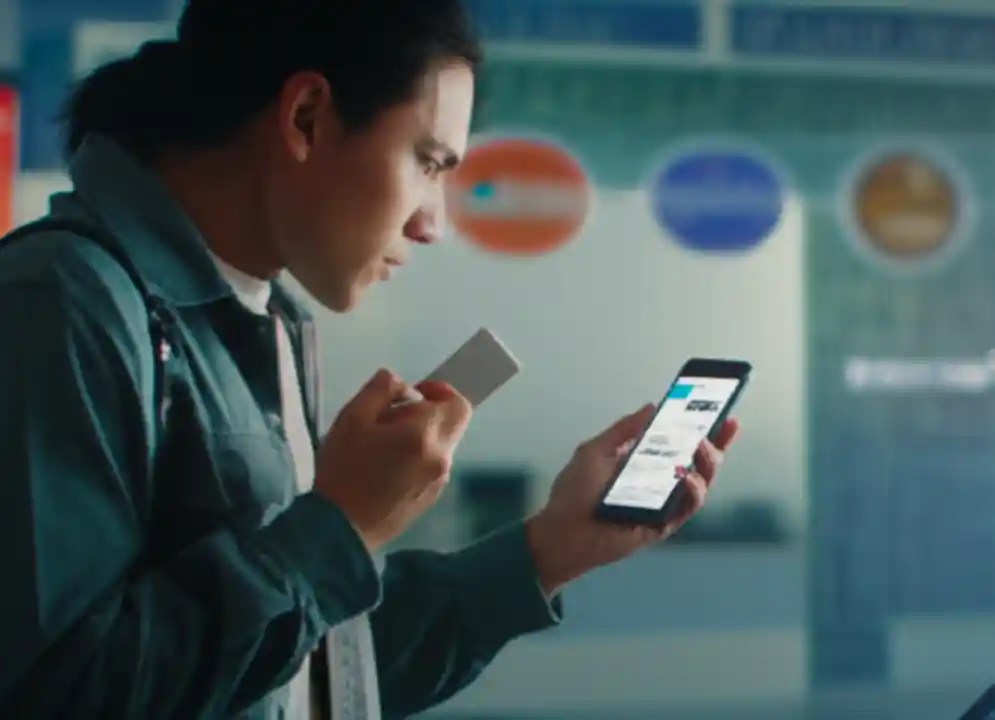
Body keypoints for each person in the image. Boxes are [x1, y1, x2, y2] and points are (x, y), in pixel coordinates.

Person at [0, 1, 741, 718]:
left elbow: (306, 674)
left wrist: (550, 548)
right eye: (428, 162)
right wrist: (339, 525)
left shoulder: (275, 319)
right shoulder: (62, 304)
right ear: (306, 118)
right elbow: (57, 693)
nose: (434, 223)